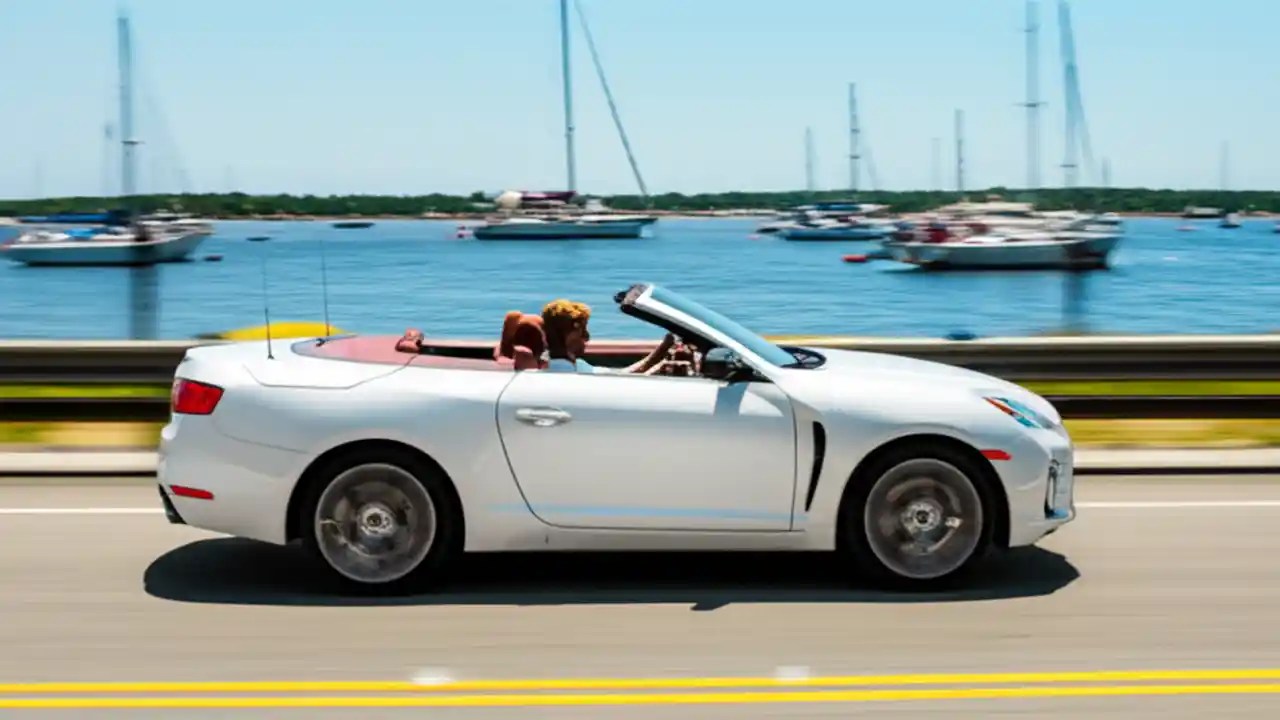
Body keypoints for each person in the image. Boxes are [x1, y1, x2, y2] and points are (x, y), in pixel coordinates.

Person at [540, 298, 674, 374]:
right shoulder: (567, 373)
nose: (587, 337)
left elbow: (622, 375)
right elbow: (623, 383)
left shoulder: (569, 365)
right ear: (567, 335)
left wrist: (663, 351)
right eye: (582, 332)